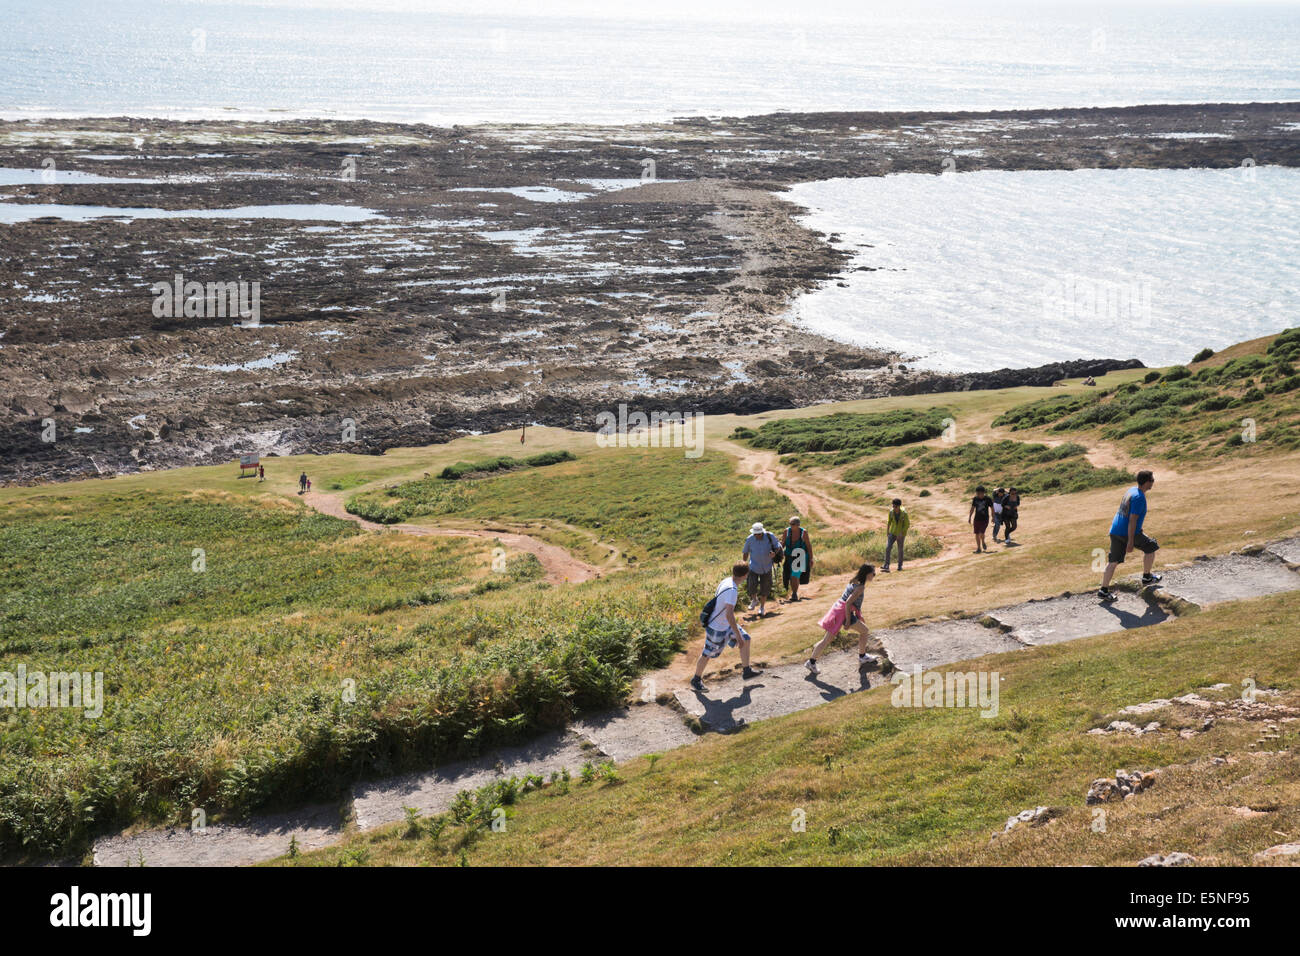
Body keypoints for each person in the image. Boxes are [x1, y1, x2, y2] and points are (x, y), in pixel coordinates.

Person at [690, 561, 761, 691]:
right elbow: (729, 615)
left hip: (723, 624)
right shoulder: (732, 590)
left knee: (746, 638)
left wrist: (740, 636)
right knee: (707, 654)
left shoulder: (727, 580)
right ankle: (696, 679)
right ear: (745, 575)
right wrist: (738, 637)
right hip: (717, 627)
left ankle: (747, 671)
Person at [1099, 470, 1162, 600]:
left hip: (1115, 530)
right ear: (1146, 482)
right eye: (1152, 480)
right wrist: (1130, 541)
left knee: (1113, 561)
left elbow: (1128, 514)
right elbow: (1132, 520)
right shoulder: (1139, 498)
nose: (1153, 482)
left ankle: (1103, 591)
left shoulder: (1131, 491)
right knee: (1151, 547)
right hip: (1127, 532)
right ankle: (1147, 577)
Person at [806, 563, 879, 675]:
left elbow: (852, 602)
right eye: (873, 573)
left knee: (827, 639)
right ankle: (862, 656)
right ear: (867, 574)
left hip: (838, 610)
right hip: (844, 613)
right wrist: (848, 621)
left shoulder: (854, 581)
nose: (874, 575)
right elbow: (848, 603)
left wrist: (860, 615)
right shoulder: (860, 587)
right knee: (864, 631)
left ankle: (811, 661)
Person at [742, 521, 782, 618]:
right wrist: (743, 563)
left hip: (767, 566)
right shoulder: (749, 539)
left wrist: (774, 553)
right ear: (753, 533)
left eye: (759, 534)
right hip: (753, 567)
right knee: (751, 586)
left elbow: (778, 547)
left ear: (762, 532)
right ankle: (754, 599)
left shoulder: (770, 536)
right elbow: (745, 552)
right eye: (756, 534)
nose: (758, 536)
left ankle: (762, 607)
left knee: (765, 588)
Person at [781, 516, 813, 601]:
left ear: (798, 524)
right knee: (788, 575)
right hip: (789, 556)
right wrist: (778, 553)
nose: (791, 525)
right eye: (790, 524)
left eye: (793, 524)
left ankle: (794, 593)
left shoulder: (804, 532)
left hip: (800, 556)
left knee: (794, 575)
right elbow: (782, 544)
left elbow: (808, 546)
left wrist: (811, 559)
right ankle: (792, 592)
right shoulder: (786, 532)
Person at [883, 498, 909, 572]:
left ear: (899, 506)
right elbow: (889, 522)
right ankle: (886, 565)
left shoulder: (904, 513)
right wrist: (887, 531)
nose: (894, 508)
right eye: (893, 506)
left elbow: (907, 525)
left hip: (901, 534)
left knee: (900, 549)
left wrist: (901, 533)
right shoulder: (891, 512)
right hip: (892, 532)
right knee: (888, 548)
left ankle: (900, 566)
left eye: (895, 507)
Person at [968, 486, 993, 553]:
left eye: (980, 493)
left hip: (985, 519)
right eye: (977, 493)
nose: (979, 495)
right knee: (976, 533)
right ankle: (979, 548)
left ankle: (983, 541)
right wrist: (970, 517)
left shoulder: (988, 499)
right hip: (977, 518)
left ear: (983, 493)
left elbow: (992, 508)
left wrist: (993, 517)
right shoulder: (975, 499)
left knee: (982, 533)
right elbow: (972, 508)